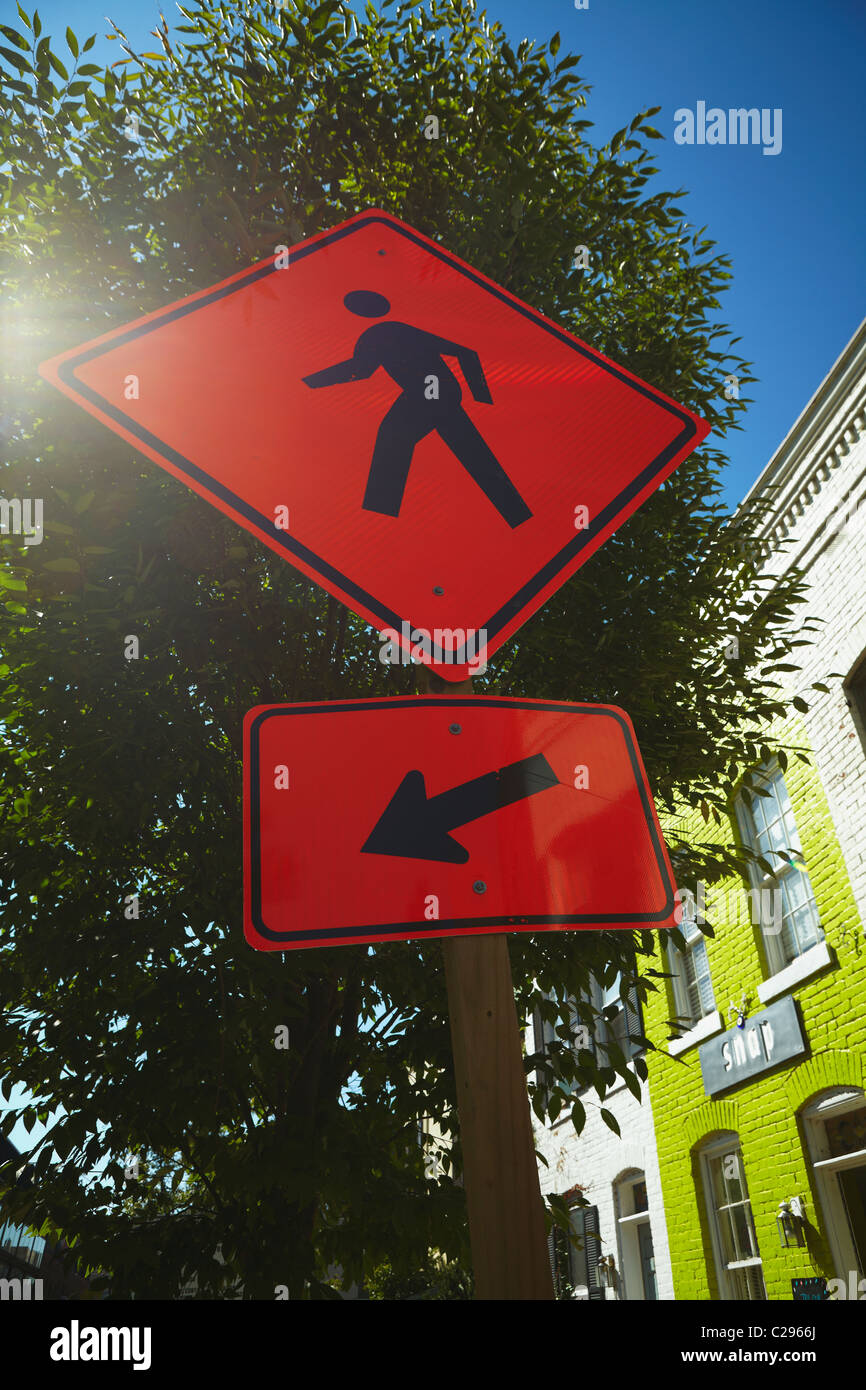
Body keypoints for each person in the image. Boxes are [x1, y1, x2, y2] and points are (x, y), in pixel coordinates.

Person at [302, 290, 532, 527]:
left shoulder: (386, 332)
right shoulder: (384, 333)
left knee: (393, 436)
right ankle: (519, 516)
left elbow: (466, 353)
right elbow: (361, 370)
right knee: (470, 449)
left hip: (428, 392)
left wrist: (484, 399)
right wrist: (309, 383)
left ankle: (379, 517)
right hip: (440, 392)